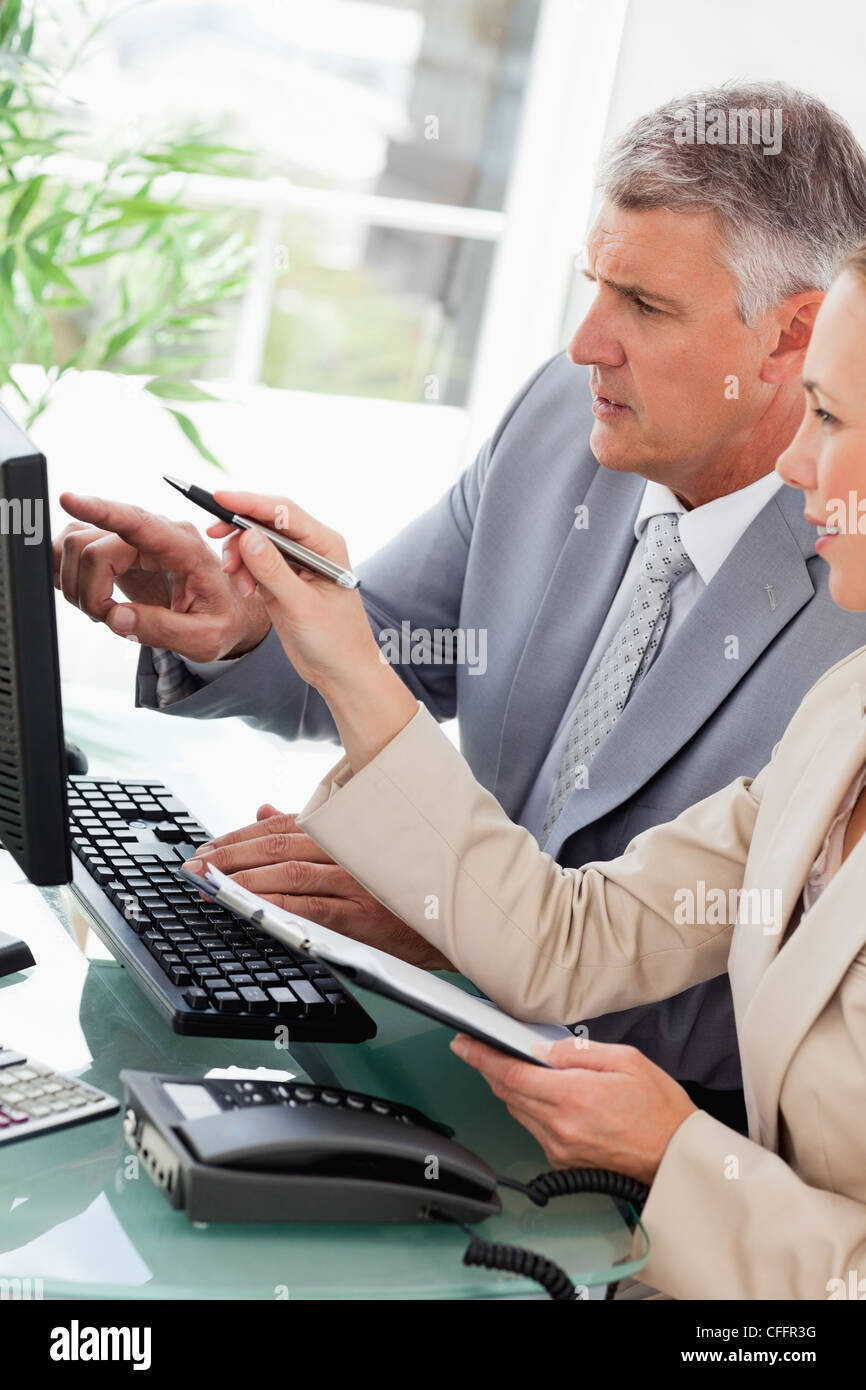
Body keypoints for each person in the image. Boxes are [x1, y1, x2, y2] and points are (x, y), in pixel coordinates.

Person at [54, 83, 866, 1129]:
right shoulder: (564, 419)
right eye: (594, 285)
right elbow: (387, 649)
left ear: (787, 340)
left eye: (644, 306)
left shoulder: (848, 581)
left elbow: (788, 996)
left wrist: (447, 927)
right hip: (441, 1047)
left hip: (667, 1136)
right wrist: (245, 619)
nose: (585, 343)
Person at [181, 244, 866, 1299]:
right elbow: (571, 938)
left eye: (825, 419)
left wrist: (680, 1153)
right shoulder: (846, 714)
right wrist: (348, 663)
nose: (792, 465)